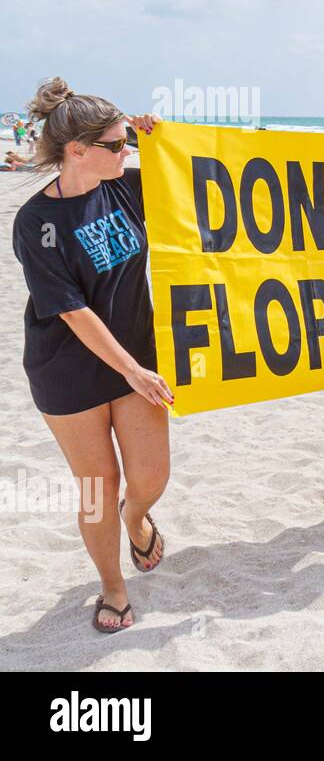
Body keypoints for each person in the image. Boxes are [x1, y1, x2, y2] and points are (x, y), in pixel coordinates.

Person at [12, 78, 172, 633]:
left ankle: (137, 520)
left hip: (136, 358)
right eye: (117, 143)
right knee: (97, 486)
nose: (124, 151)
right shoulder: (36, 222)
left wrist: (157, 142)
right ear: (76, 151)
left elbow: (208, 179)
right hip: (68, 368)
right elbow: (72, 310)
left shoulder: (125, 186)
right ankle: (112, 586)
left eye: (126, 141)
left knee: (150, 477)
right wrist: (131, 369)